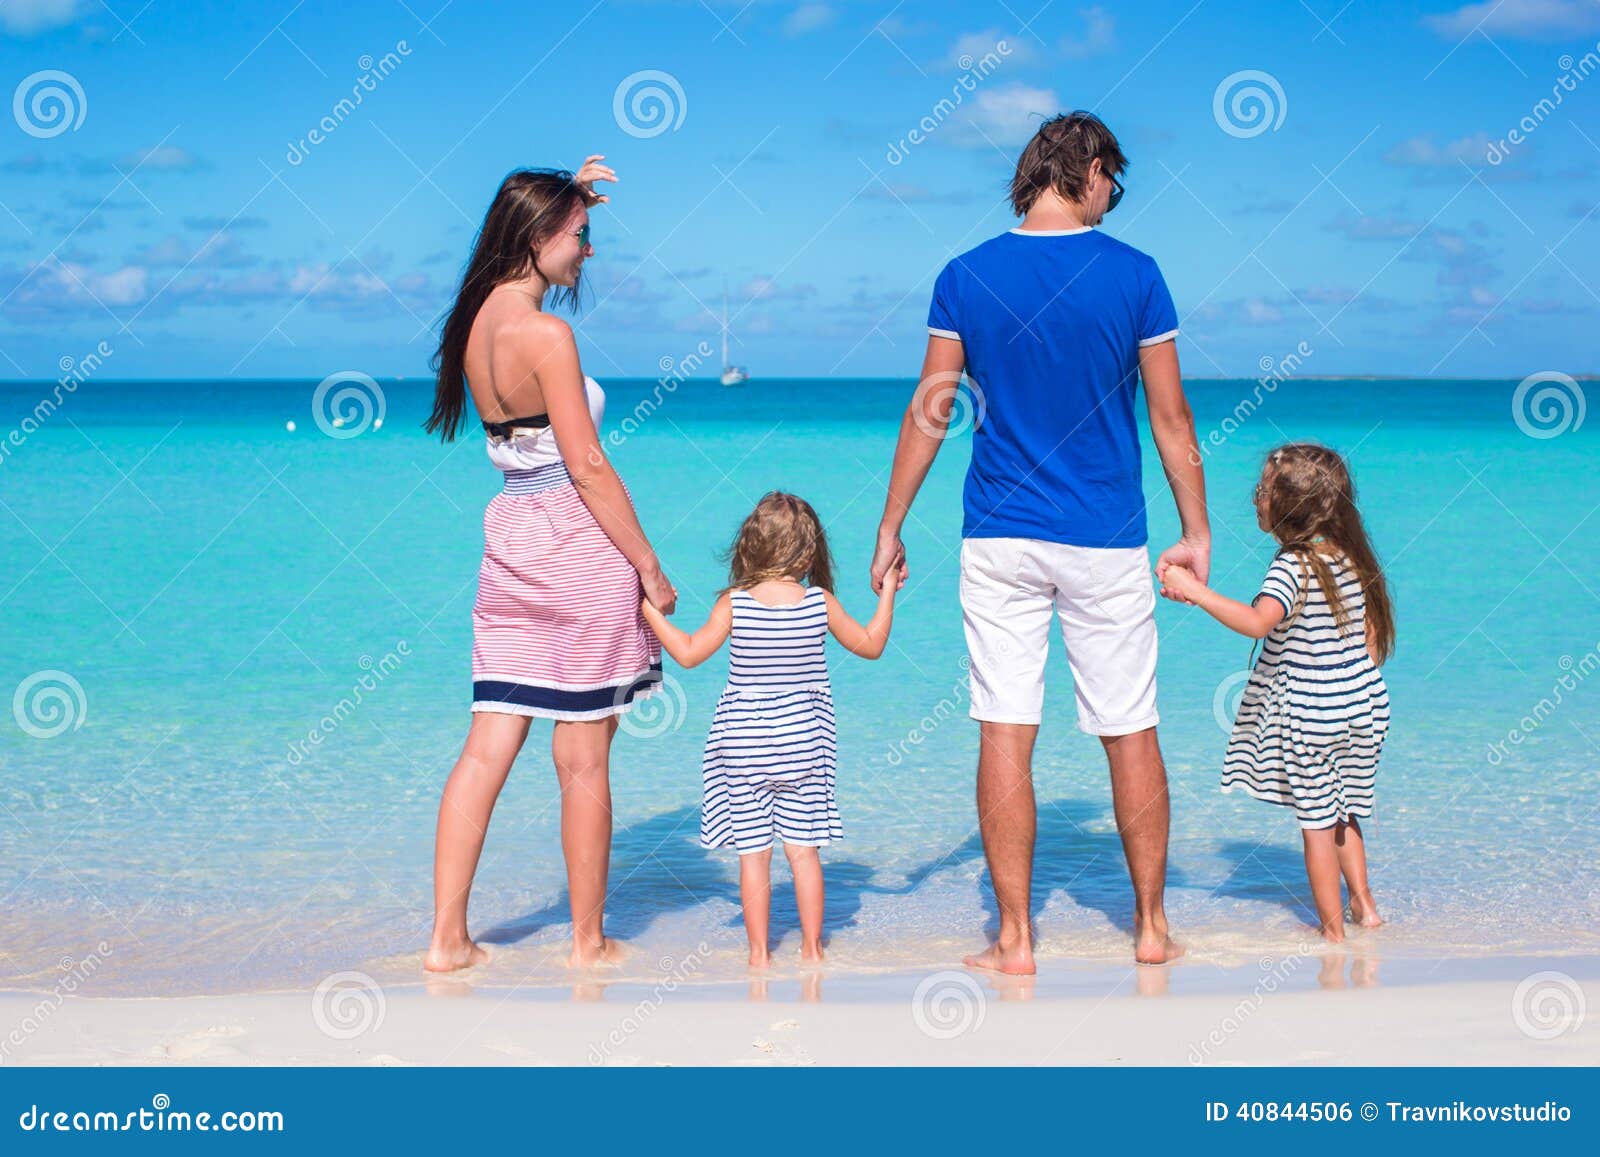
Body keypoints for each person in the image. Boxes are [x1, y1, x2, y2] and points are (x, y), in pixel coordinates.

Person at [871, 111, 1207, 971]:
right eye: (1114, 183)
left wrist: (890, 522)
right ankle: (1151, 928)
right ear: (1088, 168)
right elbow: (1169, 419)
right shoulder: (1137, 276)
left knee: (1005, 730)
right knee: (1130, 726)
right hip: (1104, 535)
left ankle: (1016, 940)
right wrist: (1196, 528)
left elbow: (930, 409)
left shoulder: (967, 274)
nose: (1113, 201)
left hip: (1000, 536)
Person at [422, 157, 679, 972]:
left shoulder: (473, 326)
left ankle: (446, 938)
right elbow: (589, 465)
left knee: (486, 746)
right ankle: (586, 939)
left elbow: (529, 446)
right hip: (576, 545)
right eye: (581, 235)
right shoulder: (546, 334)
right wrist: (650, 566)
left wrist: (566, 192)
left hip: (511, 543)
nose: (589, 253)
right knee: (583, 756)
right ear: (536, 237)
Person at [641, 492, 900, 967]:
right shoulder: (819, 603)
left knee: (753, 858)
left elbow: (691, 653)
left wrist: (651, 612)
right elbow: (873, 644)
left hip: (743, 748)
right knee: (803, 856)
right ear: (808, 554)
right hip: (802, 747)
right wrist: (887, 594)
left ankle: (759, 955)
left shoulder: (735, 604)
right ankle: (812, 950)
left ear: (750, 547)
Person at [1162, 443, 1394, 942]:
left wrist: (1195, 591)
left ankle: (1332, 932)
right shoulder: (1351, 557)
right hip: (1366, 705)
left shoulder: (1291, 567)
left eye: (1263, 492)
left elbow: (1257, 622)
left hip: (1314, 715)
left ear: (1291, 505)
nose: (1254, 500)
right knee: (1345, 811)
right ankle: (1366, 908)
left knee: (1314, 824)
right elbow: (1371, 641)